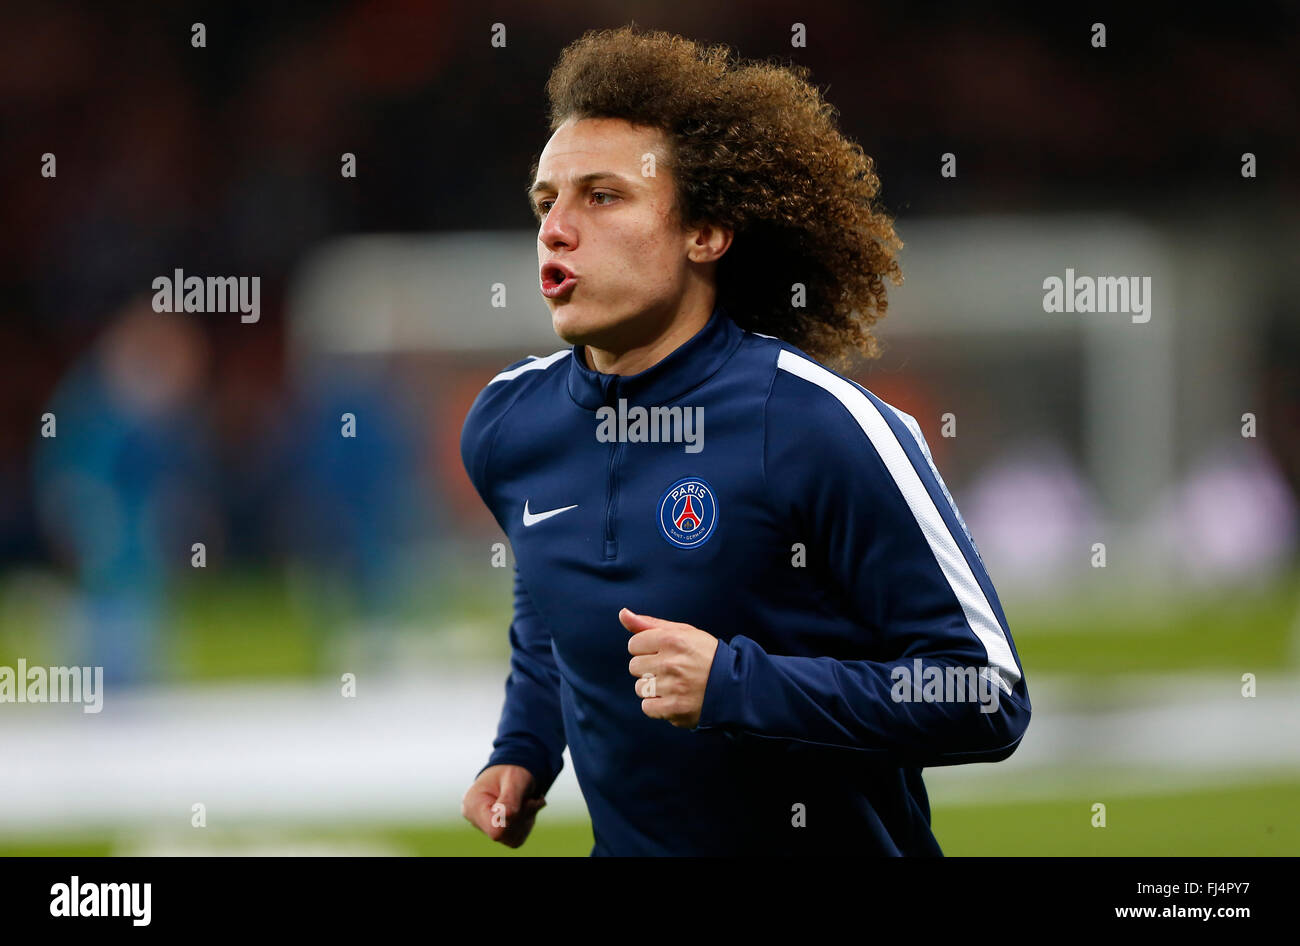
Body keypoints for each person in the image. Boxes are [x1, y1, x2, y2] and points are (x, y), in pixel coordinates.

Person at [459, 25, 1030, 855]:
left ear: (706, 234)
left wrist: (739, 685)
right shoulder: (509, 426)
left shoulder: (819, 426)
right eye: (547, 201)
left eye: (603, 196)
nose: (556, 228)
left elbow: (986, 695)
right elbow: (552, 598)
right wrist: (523, 747)